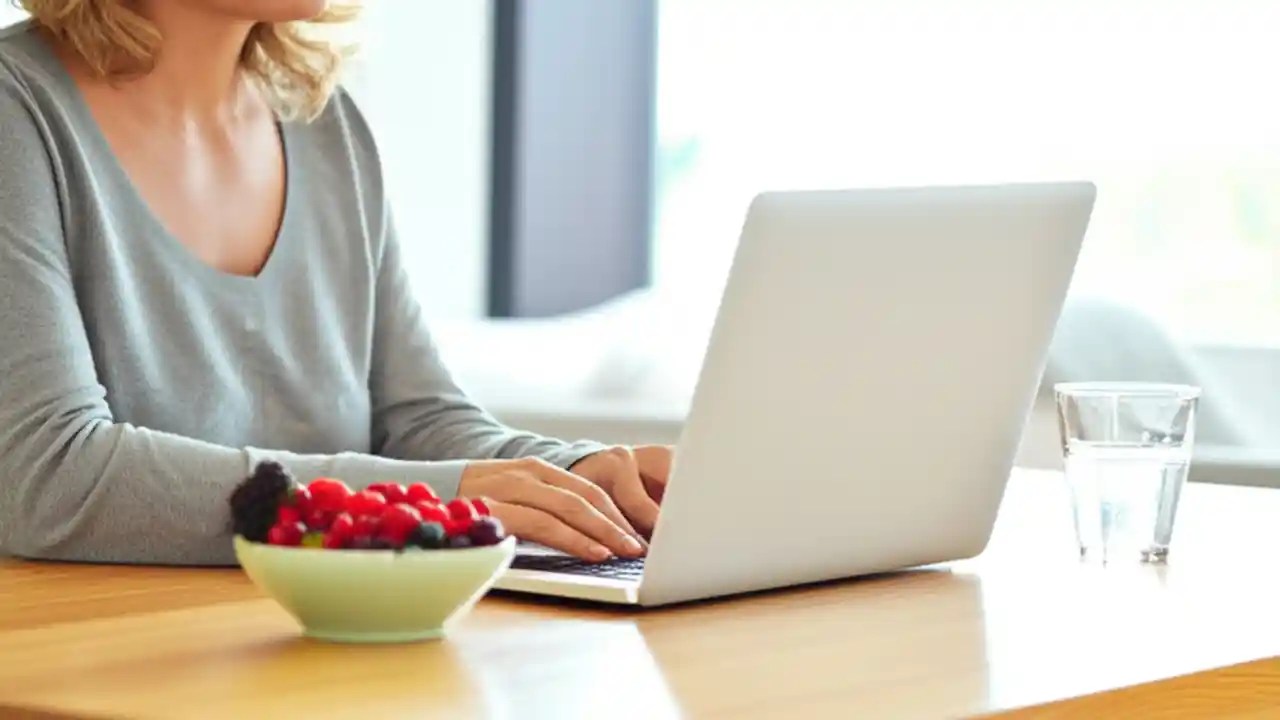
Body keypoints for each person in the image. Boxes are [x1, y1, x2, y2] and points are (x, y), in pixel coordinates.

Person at [0, 0, 671, 566]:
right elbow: (55, 479)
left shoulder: (325, 126)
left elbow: (416, 421)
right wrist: (425, 498)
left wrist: (576, 476)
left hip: (311, 654)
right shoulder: (17, 111)